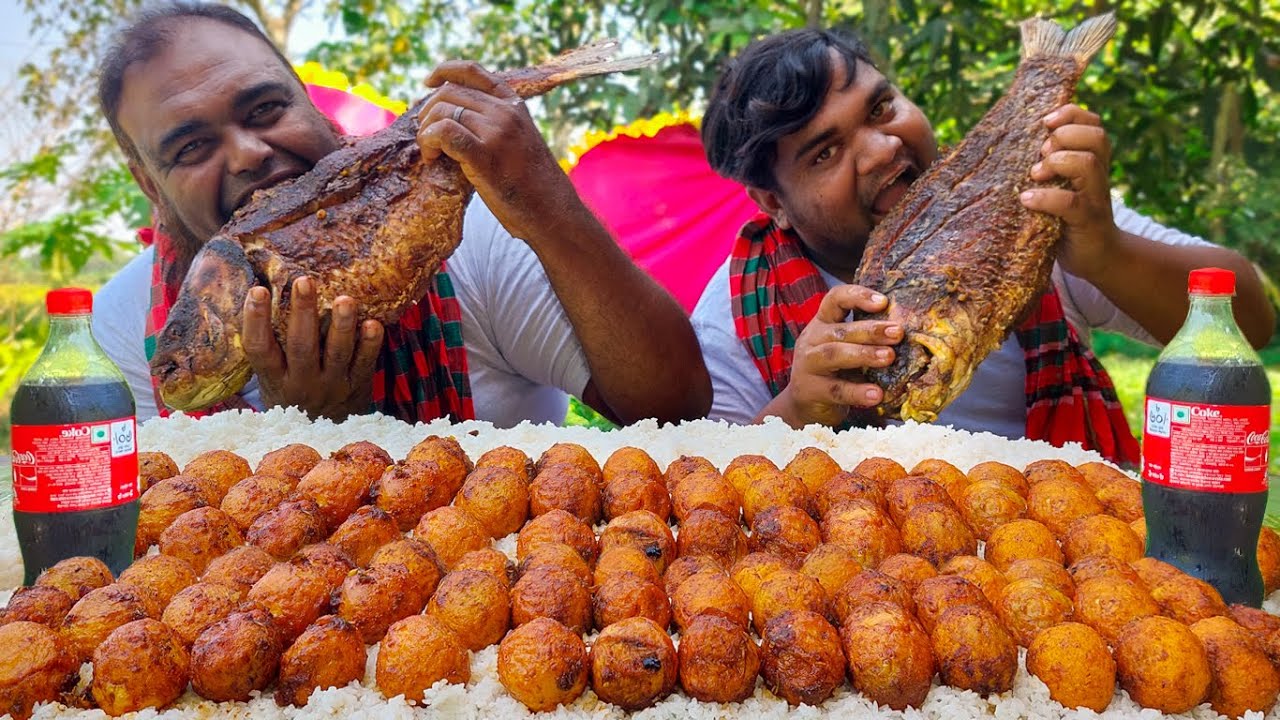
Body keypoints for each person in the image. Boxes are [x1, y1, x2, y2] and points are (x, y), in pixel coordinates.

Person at [91, 2, 711, 428]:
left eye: (266, 109)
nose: (250, 152)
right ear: (149, 181)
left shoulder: (476, 237)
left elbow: (674, 404)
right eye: (192, 147)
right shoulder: (127, 327)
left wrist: (547, 203)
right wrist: (305, 429)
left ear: (309, 103)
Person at [693, 28, 1274, 464]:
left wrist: (1107, 253)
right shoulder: (737, 313)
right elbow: (711, 499)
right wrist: (796, 408)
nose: (878, 150)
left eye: (881, 108)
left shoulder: (1033, 211)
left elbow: (1251, 322)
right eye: (825, 153)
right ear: (773, 204)